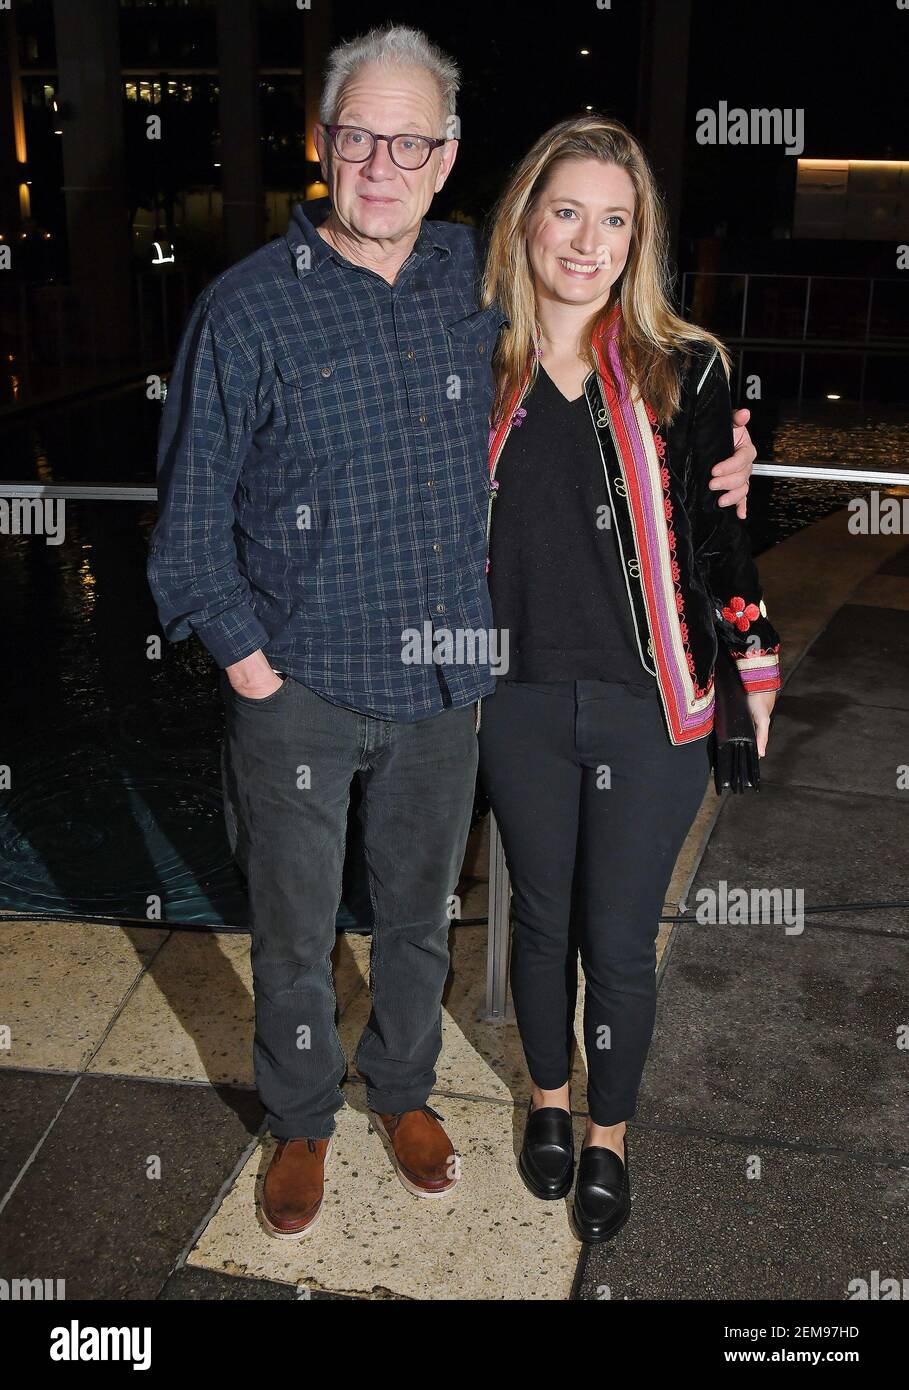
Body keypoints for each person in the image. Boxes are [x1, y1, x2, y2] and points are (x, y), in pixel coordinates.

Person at [147, 26, 757, 1241]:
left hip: (447, 687)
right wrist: (251, 664)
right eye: (359, 136)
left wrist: (729, 447)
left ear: (447, 156)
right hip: (301, 686)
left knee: (421, 918)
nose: (383, 163)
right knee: (294, 925)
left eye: (411, 141)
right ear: (323, 145)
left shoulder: (469, 283)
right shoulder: (245, 309)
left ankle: (407, 1092)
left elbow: (631, 347)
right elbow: (186, 523)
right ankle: (304, 1117)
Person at [477, 115, 781, 1243]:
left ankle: (610, 1134)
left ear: (637, 238)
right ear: (527, 216)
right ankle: (547, 1108)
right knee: (541, 922)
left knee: (619, 938)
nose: (587, 240)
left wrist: (748, 678)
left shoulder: (685, 367)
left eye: (615, 219)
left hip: (652, 705)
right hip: (513, 701)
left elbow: (722, 538)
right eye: (568, 210)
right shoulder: (476, 361)